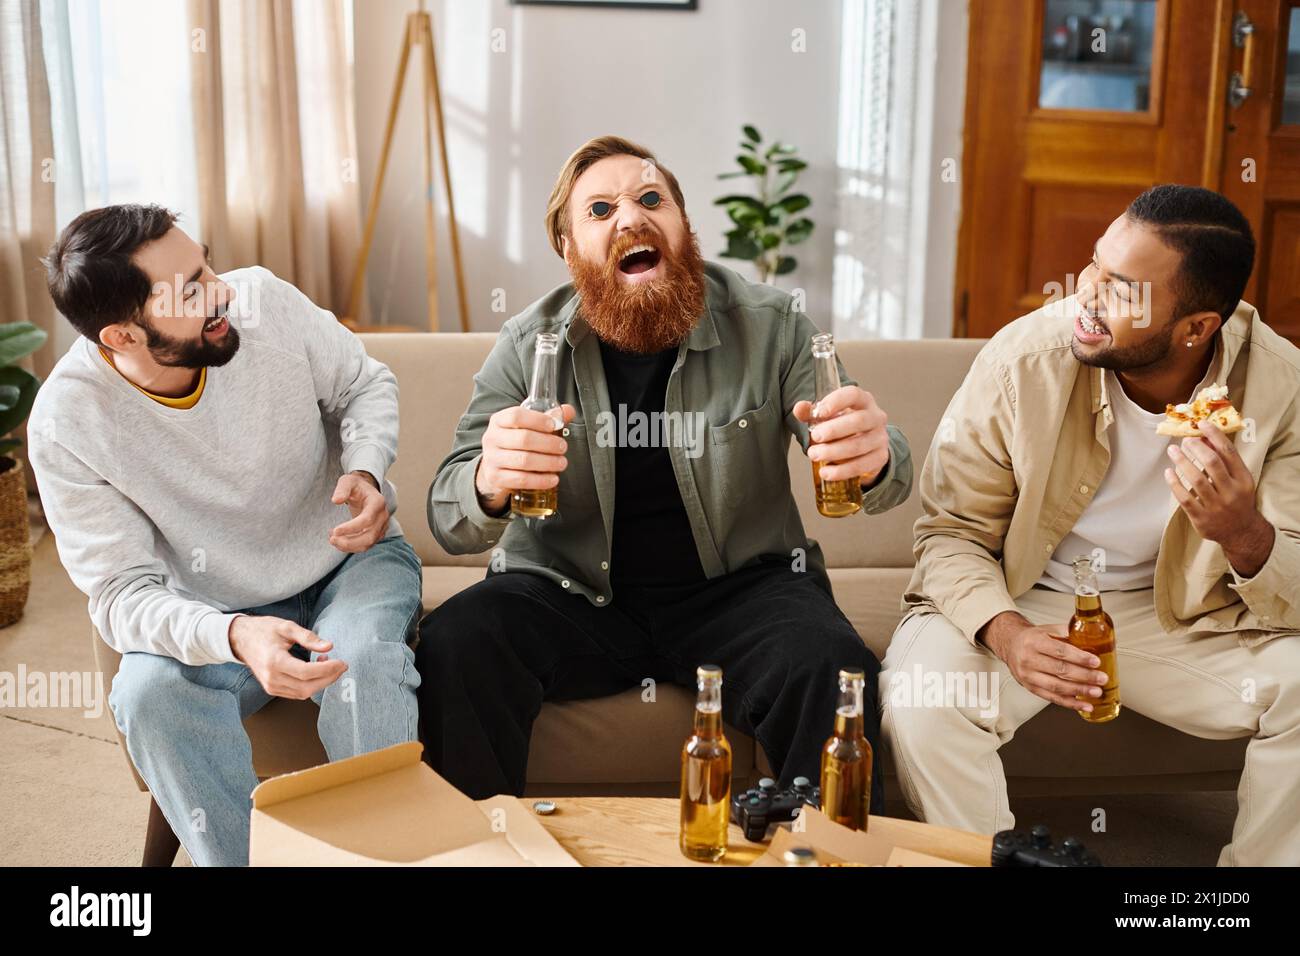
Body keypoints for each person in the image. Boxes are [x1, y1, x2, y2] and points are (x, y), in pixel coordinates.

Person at [418, 136, 913, 811]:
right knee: (456, 642)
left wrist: (874, 454)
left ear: (684, 228)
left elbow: (876, 465)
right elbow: (448, 515)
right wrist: (487, 481)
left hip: (740, 592)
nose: (630, 218)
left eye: (651, 199)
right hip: (570, 594)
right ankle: (474, 859)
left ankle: (833, 859)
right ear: (569, 251)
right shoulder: (527, 346)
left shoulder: (773, 326)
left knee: (832, 662)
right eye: (600, 210)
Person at [884, 185, 1300, 865]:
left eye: (1122, 289)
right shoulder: (1023, 361)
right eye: (1093, 268)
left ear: (1196, 328)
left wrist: (1242, 530)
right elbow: (950, 534)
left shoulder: (1281, 391)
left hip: (1182, 616)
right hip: (1023, 594)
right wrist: (1008, 633)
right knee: (924, 698)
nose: (1086, 296)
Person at [30, 204, 422, 866]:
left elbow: (364, 384)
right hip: (215, 609)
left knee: (367, 667)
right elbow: (122, 594)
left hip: (351, 563)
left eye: (205, 262)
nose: (224, 291)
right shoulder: (68, 423)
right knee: (146, 694)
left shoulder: (266, 302)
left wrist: (366, 466)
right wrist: (234, 635)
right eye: (191, 288)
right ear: (123, 337)